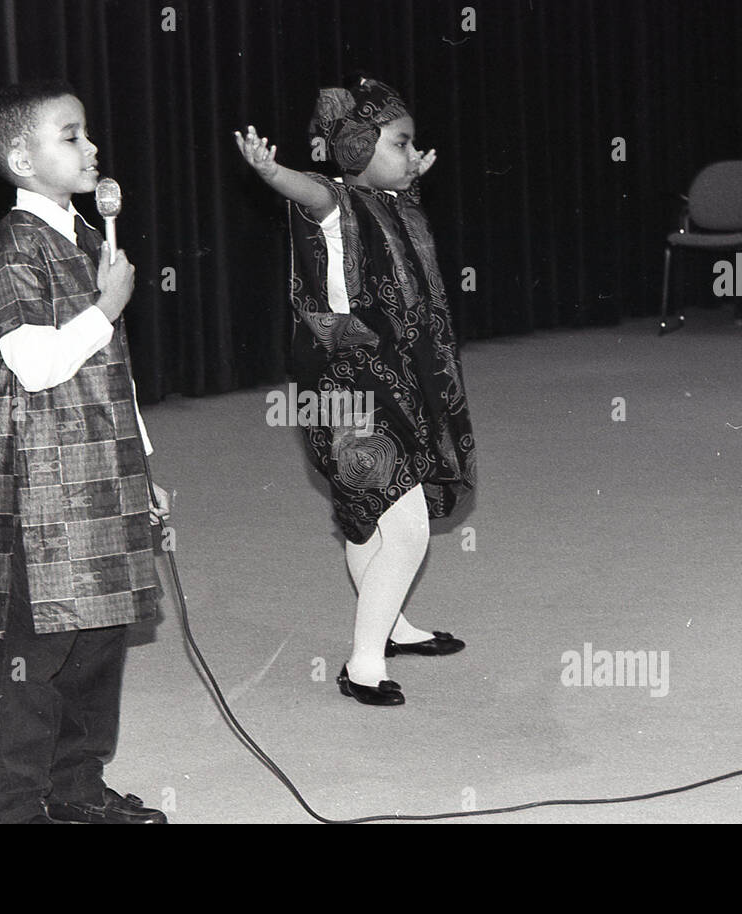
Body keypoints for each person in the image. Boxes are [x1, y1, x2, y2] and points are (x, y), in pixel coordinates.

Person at [234, 77, 477, 707]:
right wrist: (270, 170)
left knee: (371, 519)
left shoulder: (393, 202)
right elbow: (310, 189)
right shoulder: (338, 200)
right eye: (401, 143)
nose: (413, 153)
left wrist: (408, 171)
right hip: (350, 387)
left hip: (396, 378)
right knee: (405, 530)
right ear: (360, 147)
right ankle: (363, 664)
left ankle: (390, 625)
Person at [0, 80, 170, 823]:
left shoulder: (86, 238)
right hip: (41, 487)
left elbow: (115, 375)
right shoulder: (12, 250)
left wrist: (141, 463)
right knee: (38, 649)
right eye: (71, 136)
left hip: (100, 466)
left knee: (101, 634)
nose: (92, 149)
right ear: (22, 158)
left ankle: (75, 788)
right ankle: (16, 806)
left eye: (88, 134)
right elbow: (36, 364)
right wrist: (107, 307)